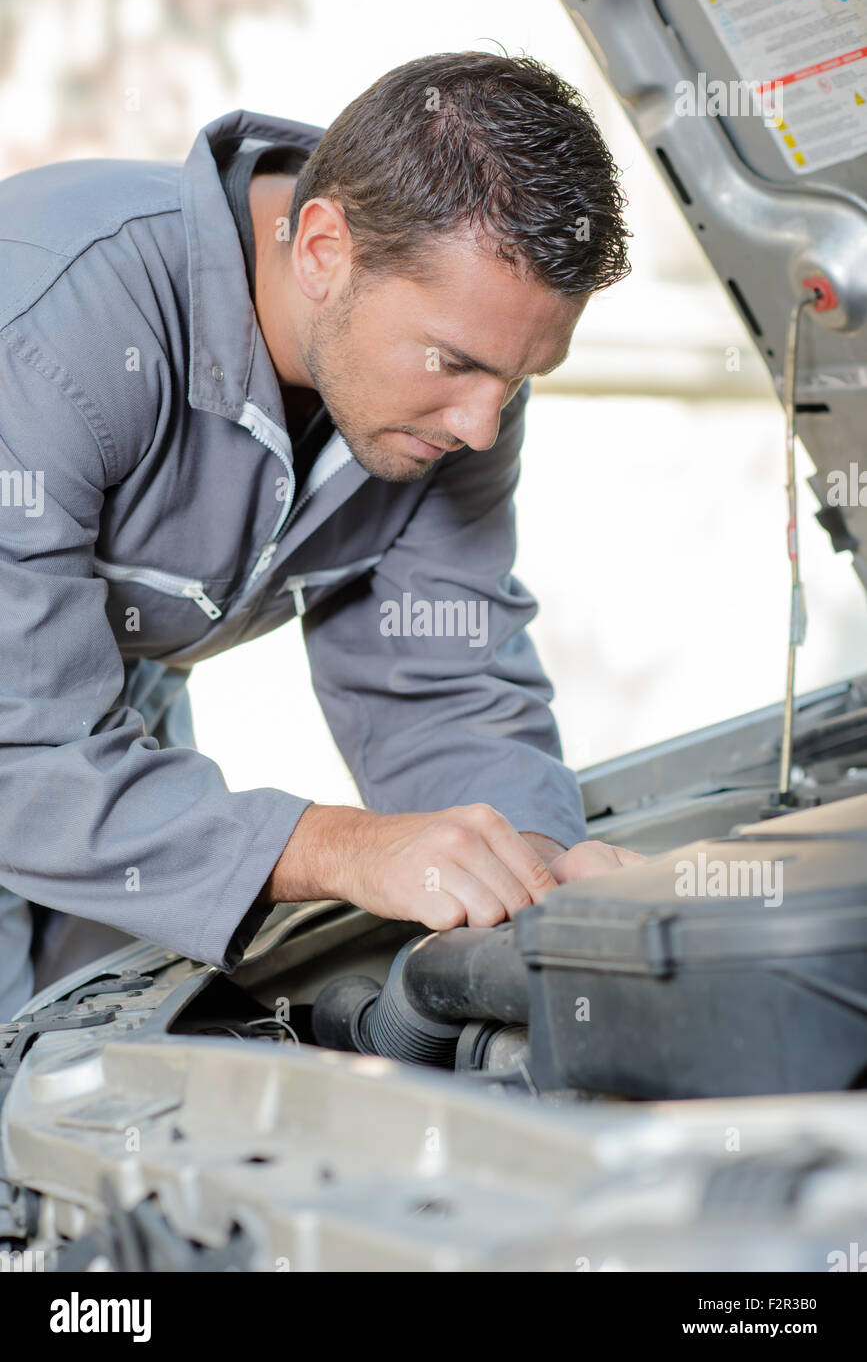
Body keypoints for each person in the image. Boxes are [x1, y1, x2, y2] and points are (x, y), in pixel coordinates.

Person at [0, 51, 643, 1023]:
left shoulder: (456, 402)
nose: (481, 425)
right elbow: (21, 751)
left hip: (102, 740)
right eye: (457, 363)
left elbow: (439, 680)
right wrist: (344, 847)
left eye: (520, 378)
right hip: (35, 742)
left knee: (90, 1070)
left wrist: (533, 873)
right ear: (322, 249)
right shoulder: (50, 327)